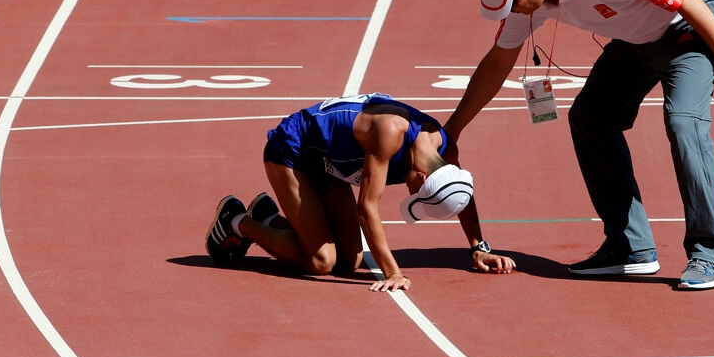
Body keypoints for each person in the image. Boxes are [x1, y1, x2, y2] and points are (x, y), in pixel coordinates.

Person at [444, 0, 714, 291]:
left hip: (690, 29)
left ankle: (709, 254)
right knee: (591, 118)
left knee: (684, 123)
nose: (513, 12)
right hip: (639, 42)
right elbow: (497, 64)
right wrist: (452, 130)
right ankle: (630, 248)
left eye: (512, 3)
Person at [206, 93, 516, 291]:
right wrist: (392, 272)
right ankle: (236, 221)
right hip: (294, 151)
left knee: (349, 262)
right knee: (321, 262)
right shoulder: (390, 133)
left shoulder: (443, 146)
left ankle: (269, 218)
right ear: (421, 178)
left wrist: (480, 245)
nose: (410, 193)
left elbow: (461, 189)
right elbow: (366, 207)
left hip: (328, 165)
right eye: (416, 194)